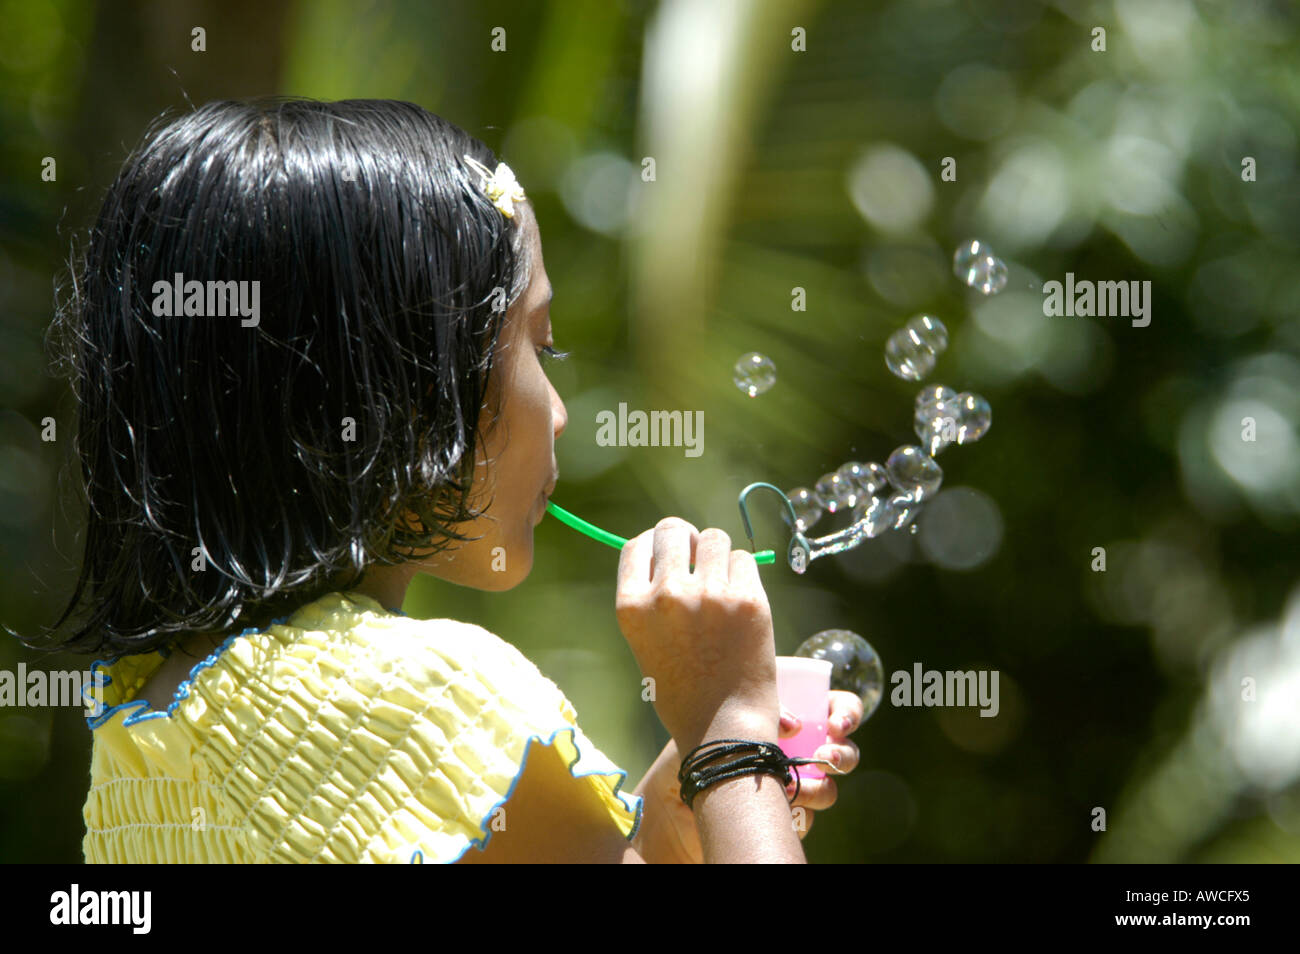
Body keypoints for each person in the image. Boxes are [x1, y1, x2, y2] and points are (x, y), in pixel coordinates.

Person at [37, 97, 862, 863]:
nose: (562, 412)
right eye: (539, 343)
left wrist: (690, 807)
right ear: (406, 387)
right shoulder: (418, 702)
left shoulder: (143, 719)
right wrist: (731, 739)